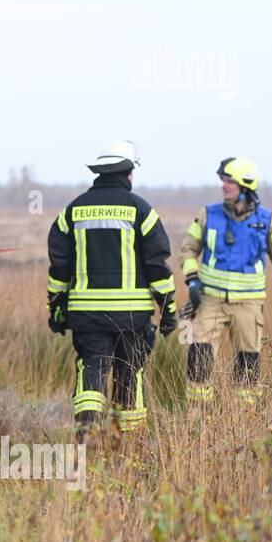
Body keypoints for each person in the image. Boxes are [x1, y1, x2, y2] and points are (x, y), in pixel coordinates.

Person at [47, 140, 178, 437]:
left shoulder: (73, 211)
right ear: (129, 172)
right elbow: (158, 266)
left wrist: (55, 307)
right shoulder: (141, 210)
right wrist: (168, 309)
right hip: (132, 316)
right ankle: (127, 444)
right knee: (130, 371)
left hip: (86, 315)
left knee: (92, 369)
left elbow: (58, 268)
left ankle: (88, 437)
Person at [178, 157, 272, 406]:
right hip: (210, 301)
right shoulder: (207, 215)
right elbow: (188, 249)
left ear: (246, 186)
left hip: (249, 303)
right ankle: (197, 422)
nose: (224, 185)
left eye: (229, 181)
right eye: (223, 180)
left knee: (248, 367)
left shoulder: (266, 220)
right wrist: (192, 281)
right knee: (199, 360)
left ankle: (243, 422)